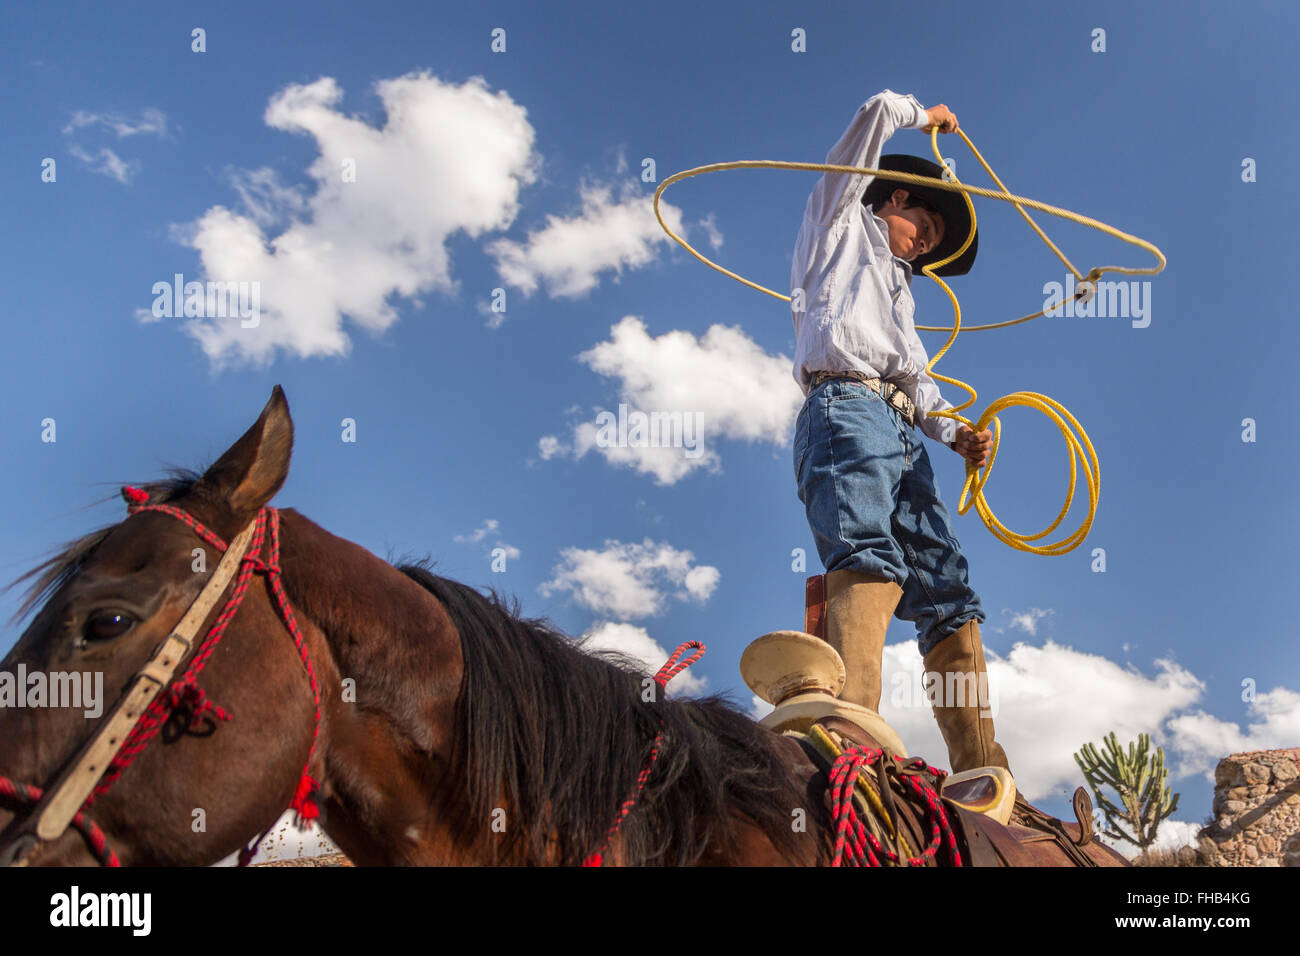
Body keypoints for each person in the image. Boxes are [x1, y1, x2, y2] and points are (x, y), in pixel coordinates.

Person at [789, 89, 1010, 775]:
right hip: (844, 406)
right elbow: (876, 110)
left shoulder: (902, 296)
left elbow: (918, 391)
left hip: (897, 425)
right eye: (926, 225)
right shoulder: (838, 226)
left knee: (947, 586)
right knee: (865, 548)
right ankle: (853, 723)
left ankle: (982, 763)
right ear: (891, 201)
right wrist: (926, 116)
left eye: (937, 243)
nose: (926, 243)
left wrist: (956, 435)